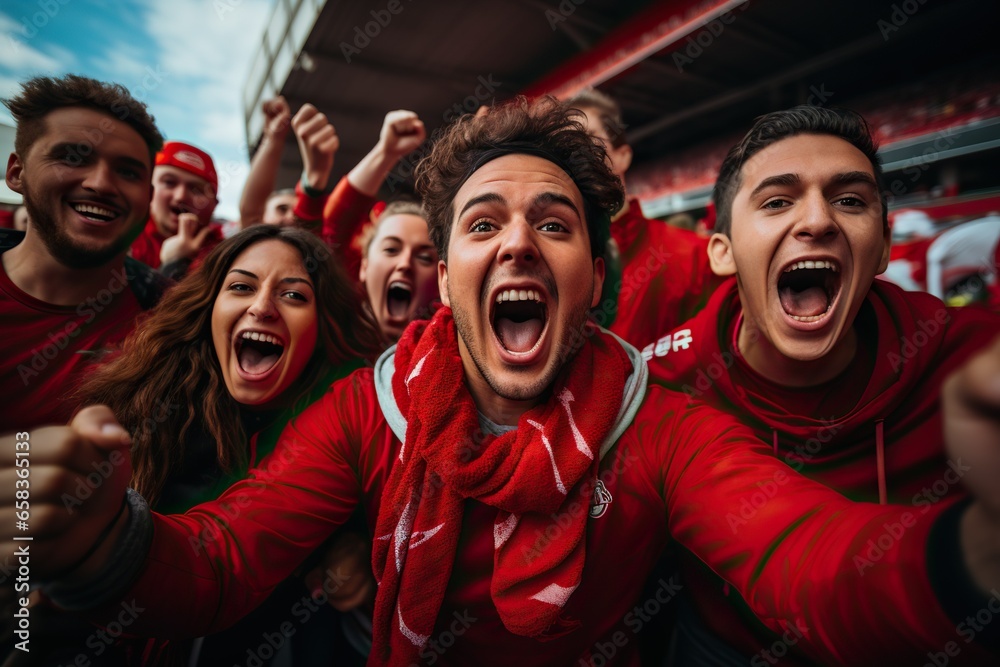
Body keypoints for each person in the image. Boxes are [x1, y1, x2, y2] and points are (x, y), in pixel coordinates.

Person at [7, 97, 1000, 666]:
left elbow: (806, 556)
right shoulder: (370, 402)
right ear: (444, 269)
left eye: (554, 226)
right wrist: (108, 546)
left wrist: (973, 549)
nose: (519, 241)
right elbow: (221, 561)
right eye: (484, 224)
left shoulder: (659, 422)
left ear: (591, 278)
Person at [645, 105, 1000, 664]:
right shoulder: (662, 384)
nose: (817, 222)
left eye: (850, 200)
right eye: (778, 201)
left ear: (882, 247)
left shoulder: (976, 358)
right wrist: (971, 556)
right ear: (722, 251)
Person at [72, 224, 380, 665]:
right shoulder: (134, 405)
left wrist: (360, 543)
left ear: (322, 328)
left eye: (293, 295)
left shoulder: (345, 431)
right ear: (210, 306)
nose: (262, 307)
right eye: (241, 287)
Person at [0, 74, 168, 432]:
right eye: (73, 157)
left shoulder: (174, 321)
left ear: (148, 195)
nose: (101, 184)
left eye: (127, 172)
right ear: (16, 172)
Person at [564, 88, 723, 349]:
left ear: (623, 155)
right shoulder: (548, 265)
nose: (577, 155)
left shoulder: (698, 258)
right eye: (566, 146)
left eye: (590, 140)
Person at [130, 140, 223, 278]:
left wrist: (176, 263)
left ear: (214, 204)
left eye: (196, 190)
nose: (181, 196)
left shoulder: (226, 257)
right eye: (169, 182)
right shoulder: (119, 239)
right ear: (147, 188)